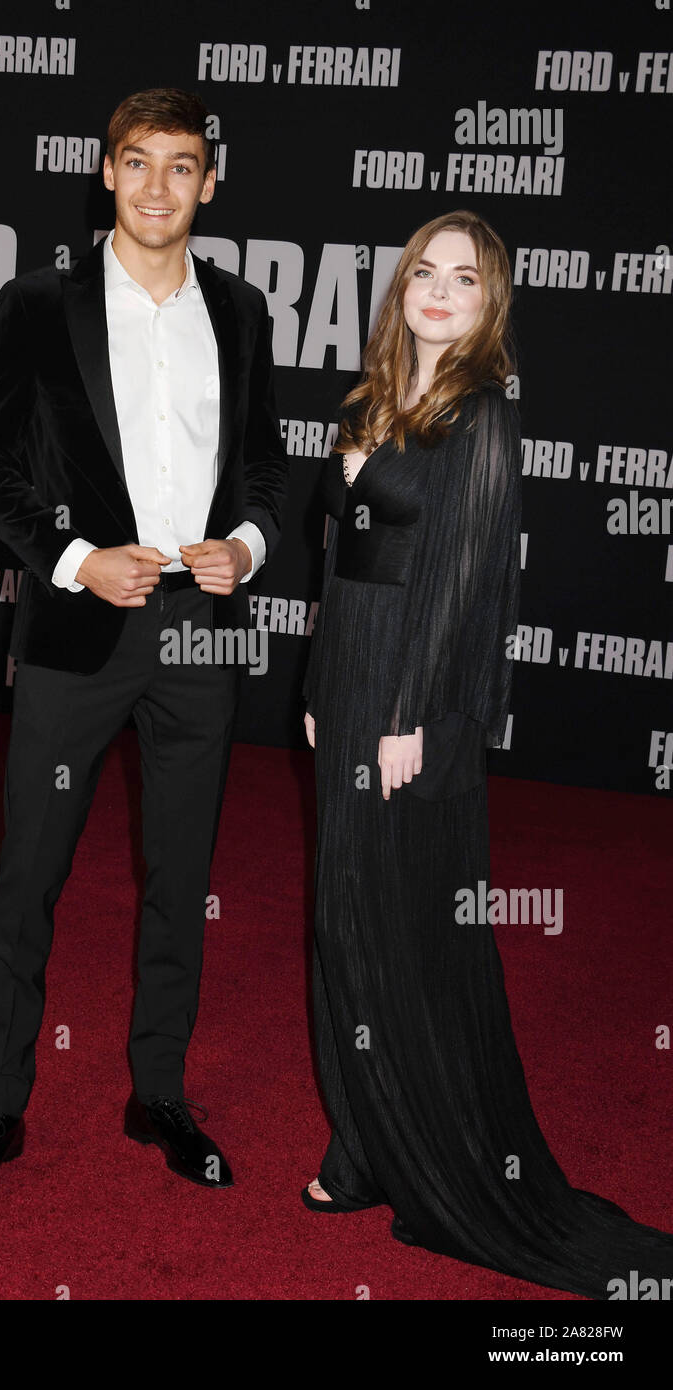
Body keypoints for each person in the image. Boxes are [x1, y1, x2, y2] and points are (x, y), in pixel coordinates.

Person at [300, 210, 673, 1299]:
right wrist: (322, 690)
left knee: (395, 920)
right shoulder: (373, 400)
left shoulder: (480, 413)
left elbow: (463, 582)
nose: (438, 291)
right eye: (424, 271)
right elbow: (339, 565)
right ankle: (361, 1142)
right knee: (337, 914)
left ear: (488, 302)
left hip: (413, 697)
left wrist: (411, 712)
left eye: (463, 279)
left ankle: (429, 1156)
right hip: (351, 682)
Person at [0, 88, 286, 1207]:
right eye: (136, 164)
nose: (154, 188)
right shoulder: (39, 302)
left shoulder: (241, 309)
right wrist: (75, 556)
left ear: (208, 183)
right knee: (28, 874)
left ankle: (160, 1092)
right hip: (76, 631)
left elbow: (271, 466)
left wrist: (246, 541)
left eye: (179, 167)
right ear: (105, 172)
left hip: (197, 631)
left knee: (179, 879)